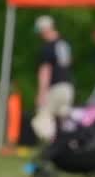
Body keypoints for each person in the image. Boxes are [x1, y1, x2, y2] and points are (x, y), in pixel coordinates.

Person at [31, 15, 75, 144]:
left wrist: (41, 93)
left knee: (42, 118)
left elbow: (45, 71)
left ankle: (54, 144)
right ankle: (70, 143)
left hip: (55, 86)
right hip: (68, 86)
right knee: (63, 119)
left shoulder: (47, 47)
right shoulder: (64, 44)